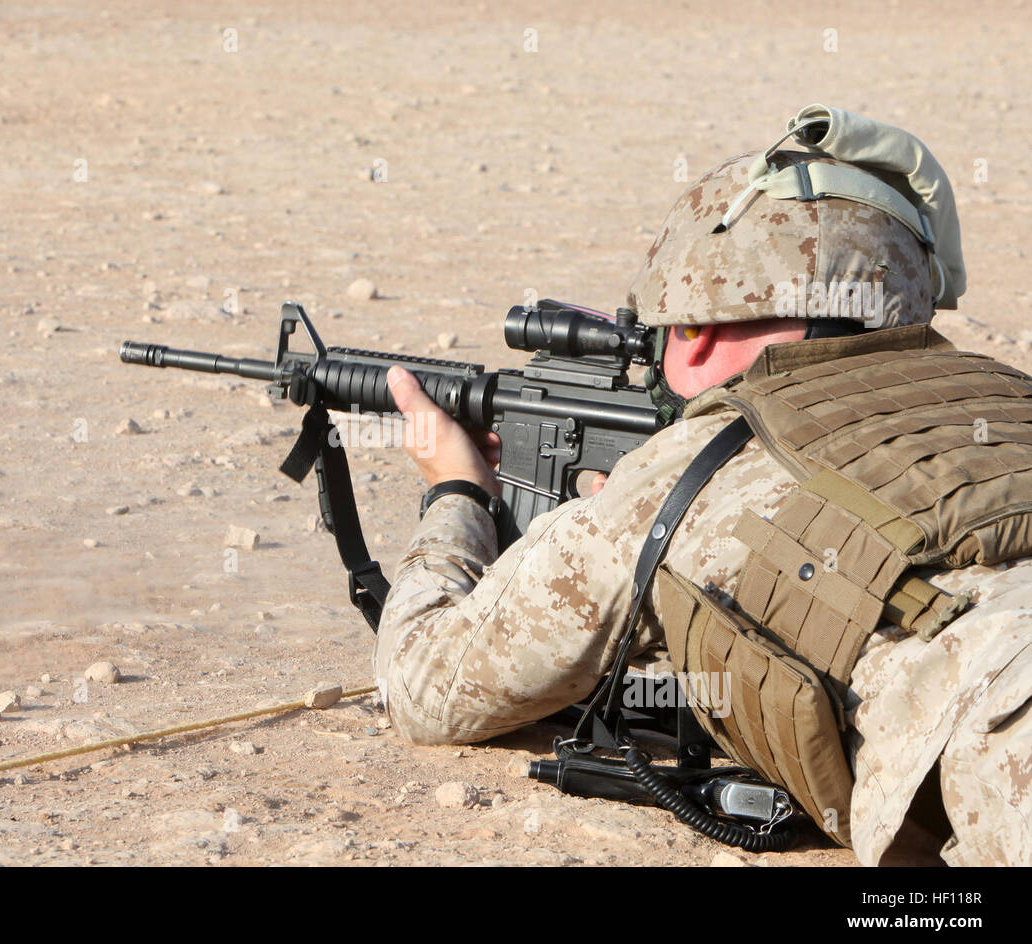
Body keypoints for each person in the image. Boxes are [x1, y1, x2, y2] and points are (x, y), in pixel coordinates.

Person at [374, 104, 1032, 866]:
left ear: (698, 334)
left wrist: (456, 491)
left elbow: (427, 686)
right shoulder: (1004, 396)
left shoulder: (687, 471)